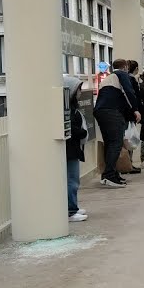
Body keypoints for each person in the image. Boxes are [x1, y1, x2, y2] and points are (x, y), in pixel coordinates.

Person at [94, 59, 139, 187]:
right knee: (116, 143)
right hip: (112, 112)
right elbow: (129, 92)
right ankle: (110, 175)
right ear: (125, 67)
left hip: (101, 111)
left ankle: (110, 174)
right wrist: (135, 110)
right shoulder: (121, 75)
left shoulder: (109, 78)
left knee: (109, 143)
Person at [63, 75, 89, 222]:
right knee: (71, 180)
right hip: (71, 148)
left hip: (71, 147)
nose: (80, 92)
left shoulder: (68, 107)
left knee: (72, 179)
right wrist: (82, 132)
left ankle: (73, 207)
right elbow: (70, 127)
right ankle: (71, 210)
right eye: (79, 89)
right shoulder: (67, 109)